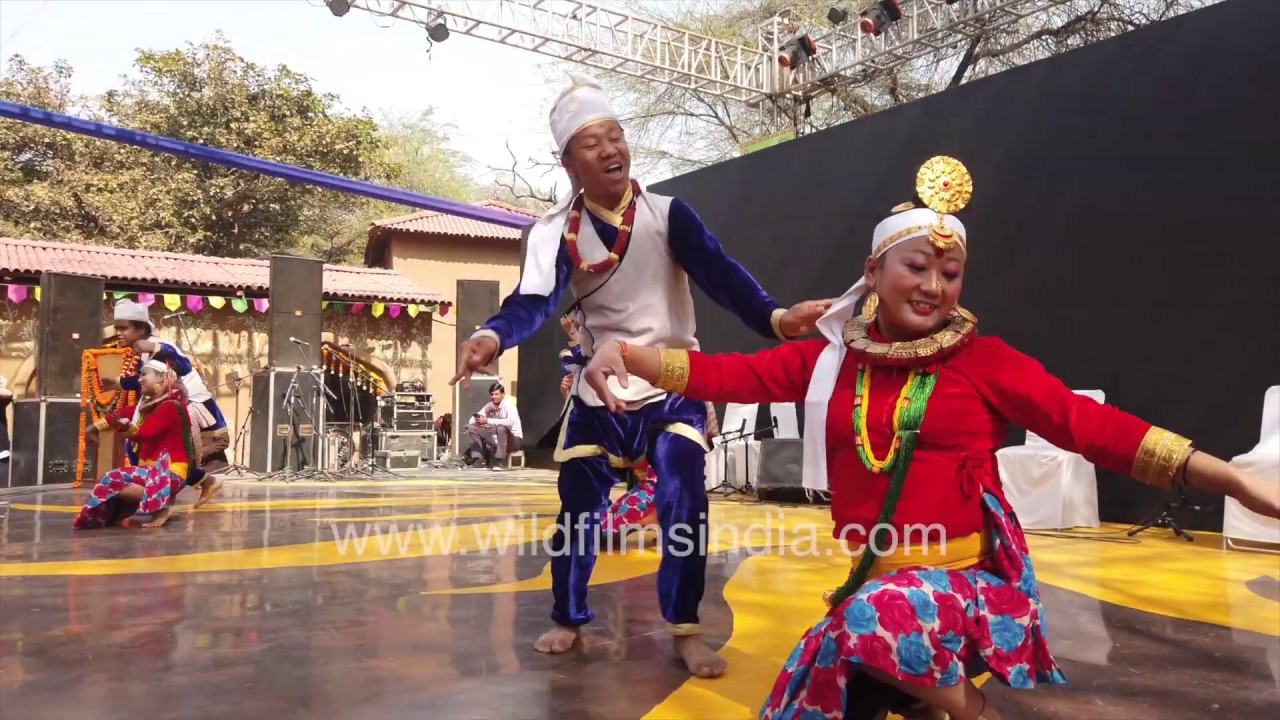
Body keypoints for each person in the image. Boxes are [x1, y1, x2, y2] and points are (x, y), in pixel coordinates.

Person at [582, 156, 1280, 719]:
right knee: (803, 701)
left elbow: (1091, 426)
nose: (933, 285)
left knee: (870, 618)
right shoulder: (831, 359)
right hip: (875, 594)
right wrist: (627, 354)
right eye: (916, 267)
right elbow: (728, 375)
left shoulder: (985, 362)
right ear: (873, 273)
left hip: (964, 595)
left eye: (950, 273)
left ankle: (974, 709)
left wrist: (1232, 478)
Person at [450, 74, 832, 677]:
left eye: (617, 136)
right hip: (600, 390)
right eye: (592, 143)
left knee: (683, 499)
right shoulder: (555, 233)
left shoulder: (668, 215)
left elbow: (721, 274)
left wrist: (777, 318)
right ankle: (567, 617)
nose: (611, 150)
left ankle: (685, 629)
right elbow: (533, 301)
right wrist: (492, 335)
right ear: (568, 162)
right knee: (578, 505)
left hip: (672, 383)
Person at [107, 300, 226, 507]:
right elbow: (139, 381)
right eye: (117, 328)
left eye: (123, 328)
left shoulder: (160, 346)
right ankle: (203, 482)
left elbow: (183, 364)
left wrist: (155, 347)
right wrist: (117, 383)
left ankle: (158, 495)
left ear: (141, 328)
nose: (118, 333)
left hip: (185, 406)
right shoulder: (142, 353)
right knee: (143, 448)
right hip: (164, 406)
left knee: (146, 449)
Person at [74, 360, 202, 529]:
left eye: (144, 375)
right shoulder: (148, 407)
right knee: (116, 485)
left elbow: (145, 433)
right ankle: (150, 505)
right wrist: (94, 427)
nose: (139, 380)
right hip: (155, 473)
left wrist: (128, 427)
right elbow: (119, 414)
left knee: (111, 479)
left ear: (162, 378)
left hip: (168, 473)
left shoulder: (170, 406)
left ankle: (163, 506)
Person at [465, 382, 524, 470]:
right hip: (496, 438)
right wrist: (486, 411)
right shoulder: (489, 406)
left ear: (503, 395)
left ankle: (500, 461)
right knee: (472, 429)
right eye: (492, 394)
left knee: (501, 428)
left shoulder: (509, 406)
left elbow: (510, 422)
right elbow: (471, 421)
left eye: (496, 394)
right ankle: (479, 460)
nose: (494, 397)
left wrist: (487, 420)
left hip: (513, 440)